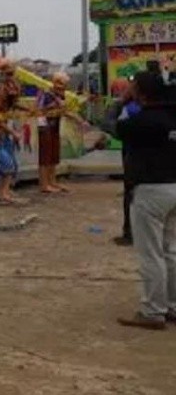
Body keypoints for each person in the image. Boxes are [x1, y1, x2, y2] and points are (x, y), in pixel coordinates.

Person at [113, 70, 176, 330]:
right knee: (170, 250)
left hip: (150, 189)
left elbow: (110, 123)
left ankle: (153, 311)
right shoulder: (172, 116)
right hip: (174, 186)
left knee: (150, 253)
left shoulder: (142, 121)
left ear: (140, 91)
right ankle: (172, 304)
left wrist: (122, 101)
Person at [104, 83, 144, 246]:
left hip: (133, 154)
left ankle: (129, 233)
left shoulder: (127, 108)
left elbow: (108, 123)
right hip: (155, 160)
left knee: (131, 193)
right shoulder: (157, 110)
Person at [0, 59, 24, 204]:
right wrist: (13, 132)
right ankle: (2, 192)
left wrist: (31, 110)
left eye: (12, 74)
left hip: (3, 134)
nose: (11, 77)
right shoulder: (1, 92)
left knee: (11, 164)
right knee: (7, 164)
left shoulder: (9, 89)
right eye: (8, 74)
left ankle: (4, 191)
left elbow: (14, 105)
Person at [36, 72, 71, 194]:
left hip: (55, 125)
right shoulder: (46, 93)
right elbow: (39, 109)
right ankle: (44, 184)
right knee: (45, 156)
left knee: (53, 155)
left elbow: (64, 110)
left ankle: (52, 181)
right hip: (45, 126)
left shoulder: (61, 95)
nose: (63, 87)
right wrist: (54, 104)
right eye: (61, 84)